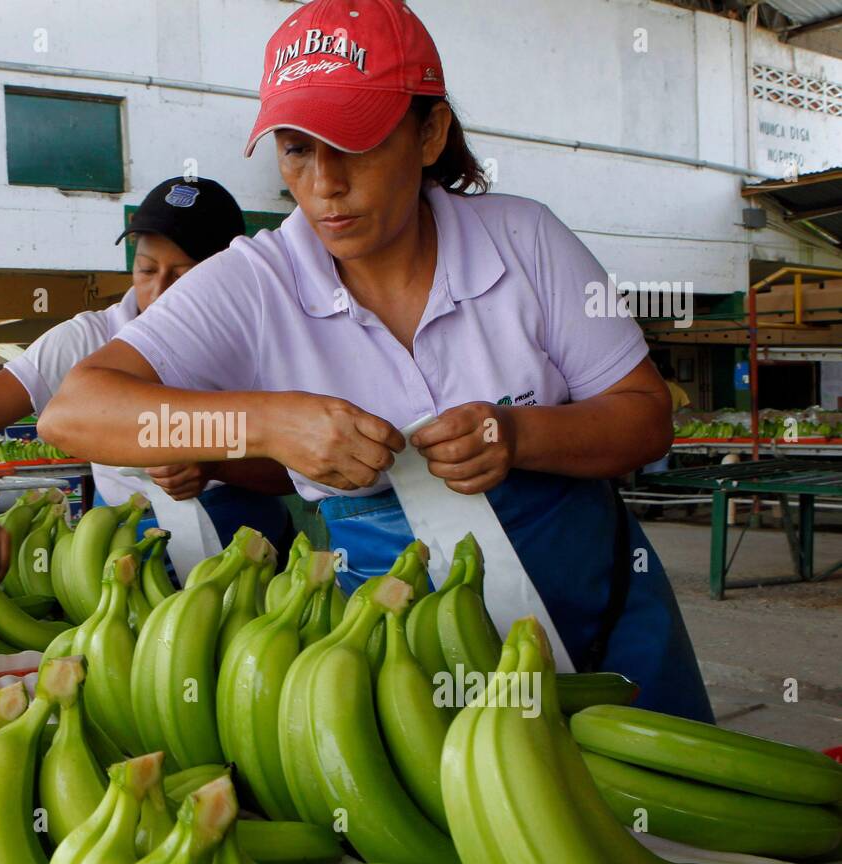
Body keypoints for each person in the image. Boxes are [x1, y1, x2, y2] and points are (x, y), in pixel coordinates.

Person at [40, 0, 712, 723]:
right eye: (297, 149)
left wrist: (517, 437)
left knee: (671, 826)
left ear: (429, 133)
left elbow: (646, 420)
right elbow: (74, 412)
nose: (326, 182)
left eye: (354, 143)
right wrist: (265, 425)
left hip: (606, 616)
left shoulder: (526, 240)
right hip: (409, 659)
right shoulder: (255, 280)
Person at [0, 177, 294, 582]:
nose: (159, 290)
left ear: (225, 274)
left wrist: (218, 466)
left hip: (248, 541)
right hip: (120, 548)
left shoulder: (262, 341)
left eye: (183, 274)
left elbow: (297, 471)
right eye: (146, 269)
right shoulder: (89, 339)